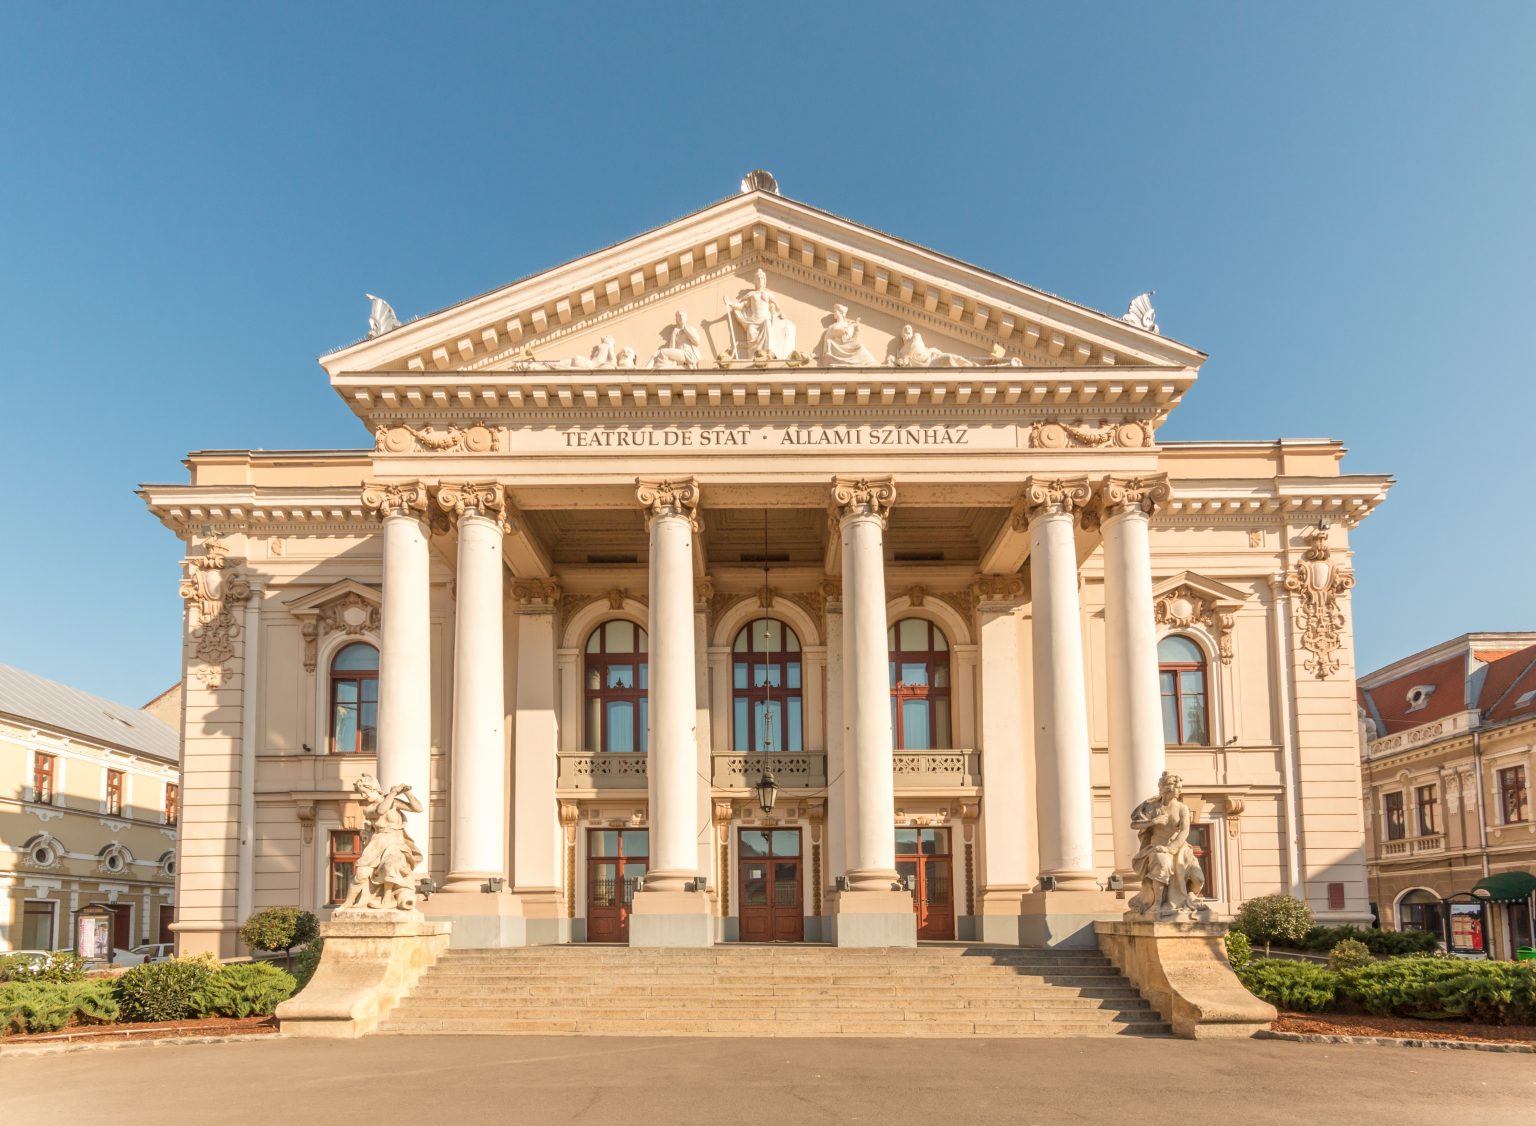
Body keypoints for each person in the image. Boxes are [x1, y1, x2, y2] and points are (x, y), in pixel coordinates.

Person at [1127, 772, 1207, 919]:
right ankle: (1157, 903)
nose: (1179, 791)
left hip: (1179, 848)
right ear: (1166, 788)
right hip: (1156, 847)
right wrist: (1153, 822)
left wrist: (1171, 849)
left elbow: (1184, 831)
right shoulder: (1151, 807)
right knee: (1162, 864)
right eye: (1177, 788)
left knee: (1199, 878)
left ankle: (1190, 895)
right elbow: (1134, 824)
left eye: (1180, 787)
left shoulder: (1182, 808)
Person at [340, 774, 424, 911]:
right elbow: (381, 810)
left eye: (364, 792)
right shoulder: (368, 809)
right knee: (361, 875)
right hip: (377, 843)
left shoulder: (394, 802)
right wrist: (392, 793)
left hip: (396, 842)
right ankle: (347, 904)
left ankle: (387, 898)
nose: (363, 796)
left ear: (373, 788)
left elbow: (418, 808)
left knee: (391, 866)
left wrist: (407, 792)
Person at [724, 269, 797, 359]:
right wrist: (729, 303)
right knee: (751, 338)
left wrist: (780, 315)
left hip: (764, 321)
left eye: (762, 278)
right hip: (753, 322)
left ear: (764, 281)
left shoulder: (768, 294)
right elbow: (741, 306)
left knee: (767, 324)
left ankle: (768, 354)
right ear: (755, 281)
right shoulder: (751, 294)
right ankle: (753, 360)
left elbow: (776, 308)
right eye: (758, 279)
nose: (760, 280)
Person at [888, 323, 972, 367]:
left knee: (949, 357)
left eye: (909, 329)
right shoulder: (902, 351)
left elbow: (914, 345)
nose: (907, 330)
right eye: (905, 329)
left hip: (930, 360)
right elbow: (900, 362)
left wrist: (907, 357)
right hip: (925, 366)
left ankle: (968, 366)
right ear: (902, 334)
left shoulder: (916, 336)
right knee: (948, 358)